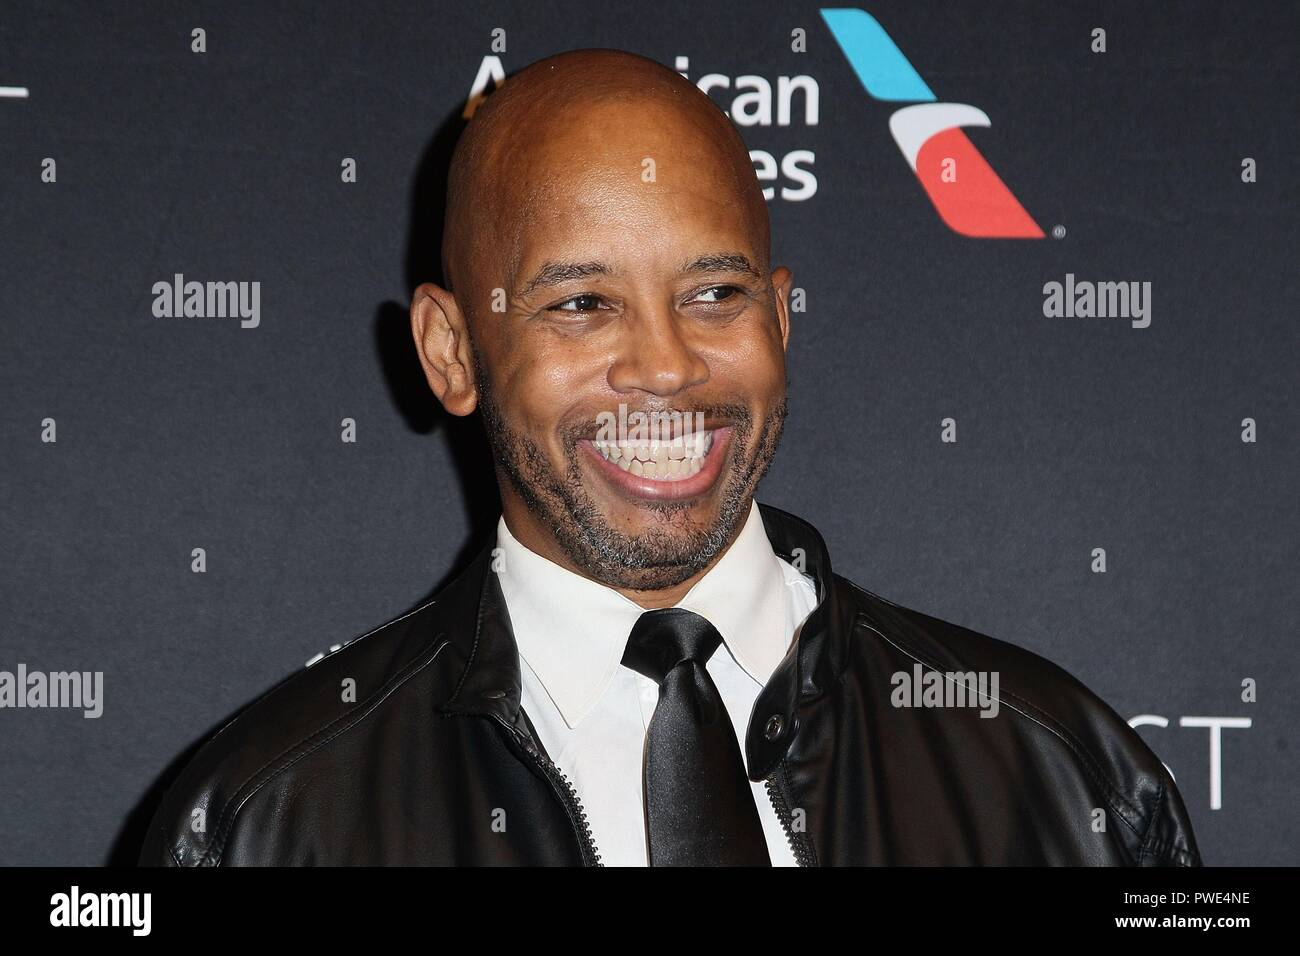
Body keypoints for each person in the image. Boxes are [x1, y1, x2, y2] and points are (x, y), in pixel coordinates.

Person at [139, 48, 1200, 866]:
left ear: (781, 320)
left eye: (713, 294)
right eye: (582, 303)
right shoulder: (262, 819)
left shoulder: (1062, 773)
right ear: (453, 351)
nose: (664, 366)